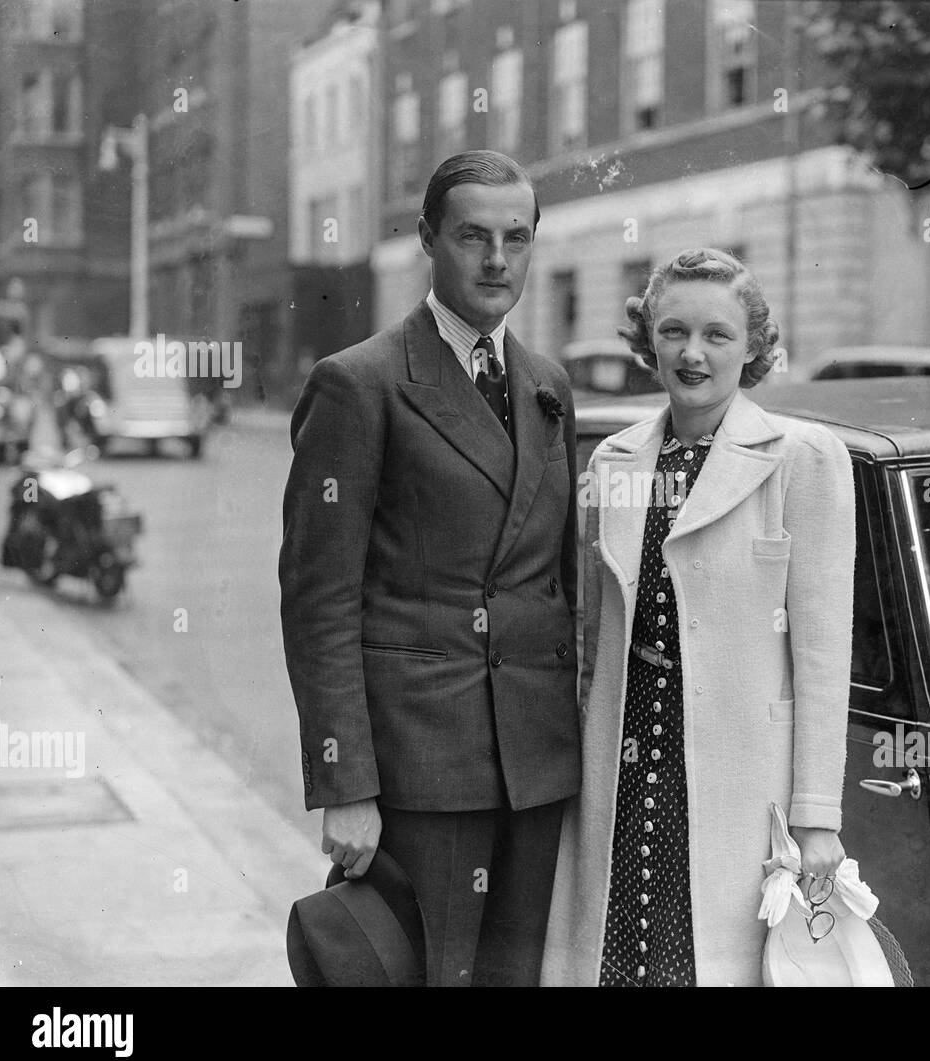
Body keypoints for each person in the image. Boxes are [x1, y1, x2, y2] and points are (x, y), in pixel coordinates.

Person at [279, 151, 581, 987]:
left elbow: (562, 582)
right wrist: (345, 782)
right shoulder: (360, 383)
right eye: (472, 237)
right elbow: (319, 599)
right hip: (424, 766)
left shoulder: (547, 385)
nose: (496, 260)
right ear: (425, 240)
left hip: (534, 762)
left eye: (516, 238)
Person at [542, 248, 857, 987]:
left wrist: (817, 817)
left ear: (752, 347)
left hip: (740, 778)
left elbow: (820, 654)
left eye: (717, 334)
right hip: (624, 759)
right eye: (674, 330)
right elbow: (592, 636)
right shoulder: (614, 462)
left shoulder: (802, 459)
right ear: (648, 340)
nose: (692, 352)